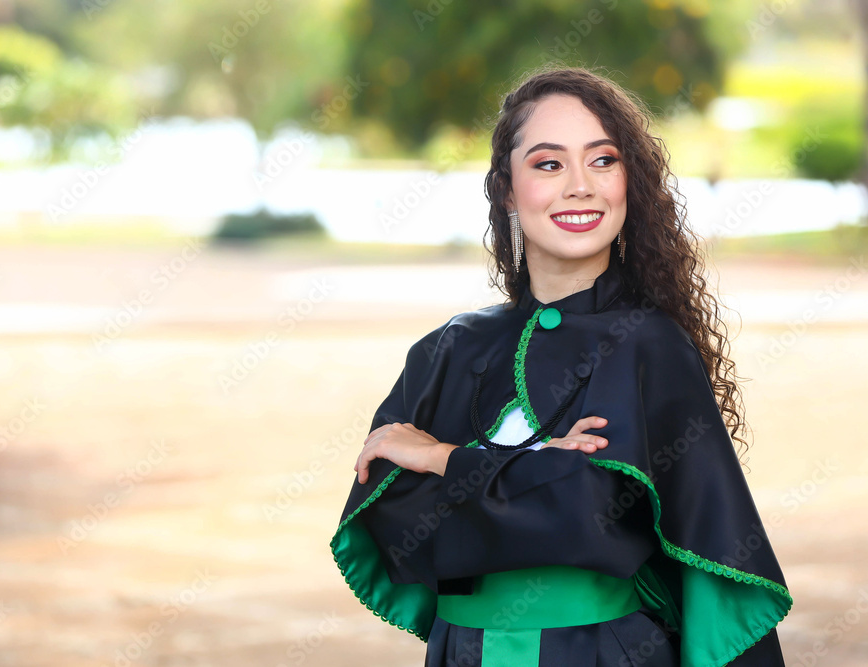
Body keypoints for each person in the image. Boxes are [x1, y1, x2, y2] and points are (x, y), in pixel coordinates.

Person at [329, 66, 792, 666]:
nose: (581, 186)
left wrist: (444, 460)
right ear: (506, 189)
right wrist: (540, 470)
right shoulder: (449, 347)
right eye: (549, 164)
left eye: (603, 161)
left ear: (631, 181)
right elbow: (392, 521)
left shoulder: (649, 346)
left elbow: (587, 517)